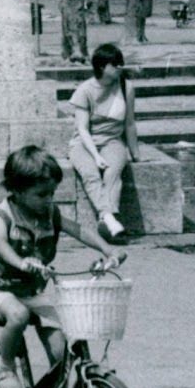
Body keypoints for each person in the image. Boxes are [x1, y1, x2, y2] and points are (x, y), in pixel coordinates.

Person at [0, 146, 123, 388]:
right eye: (41, 195)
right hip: (2, 292)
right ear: (17, 191)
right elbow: (0, 245)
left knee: (62, 352)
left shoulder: (50, 213)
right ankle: (5, 368)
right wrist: (22, 262)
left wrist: (108, 249)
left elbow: (80, 230)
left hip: (35, 291)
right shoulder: (2, 215)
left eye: (52, 194)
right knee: (18, 315)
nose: (48, 201)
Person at [67, 44, 139, 242]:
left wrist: (135, 153)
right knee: (90, 173)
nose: (119, 67)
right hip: (84, 142)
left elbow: (130, 123)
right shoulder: (85, 91)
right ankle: (109, 217)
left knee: (113, 173)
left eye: (120, 63)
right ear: (101, 67)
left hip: (113, 140)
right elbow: (82, 128)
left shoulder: (126, 87)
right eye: (115, 64)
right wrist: (96, 156)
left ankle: (106, 219)